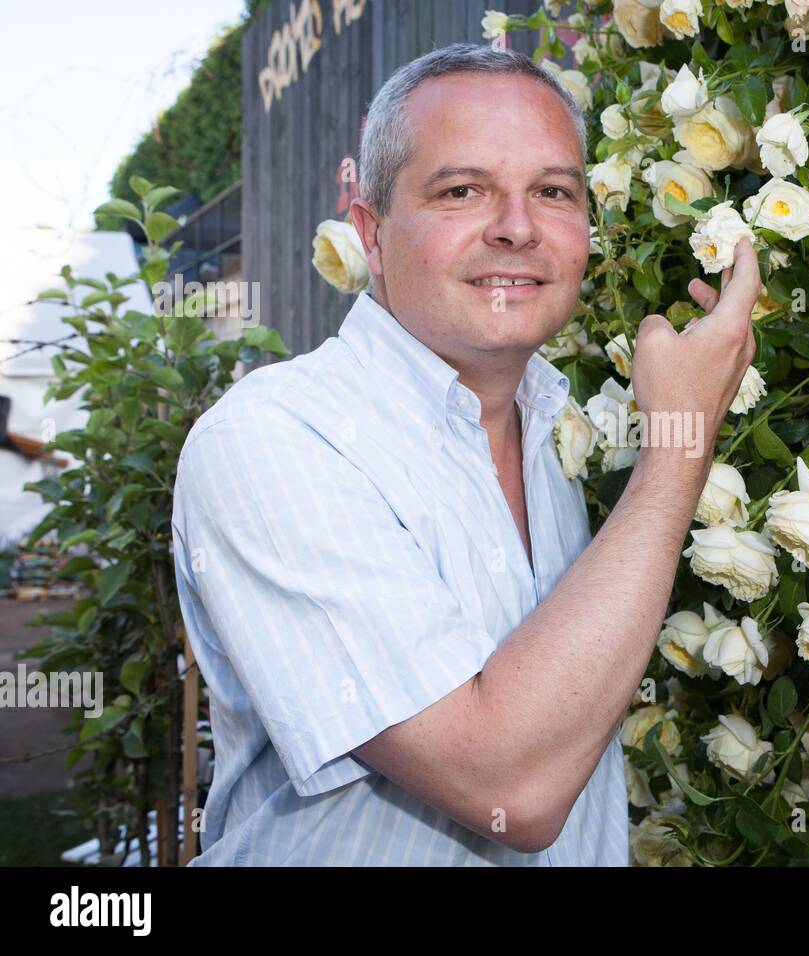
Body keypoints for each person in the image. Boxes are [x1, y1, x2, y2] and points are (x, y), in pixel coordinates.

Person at [172, 42, 758, 865]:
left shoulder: (553, 434)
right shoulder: (275, 440)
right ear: (371, 233)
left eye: (553, 192)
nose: (517, 228)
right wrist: (679, 446)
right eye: (462, 190)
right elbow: (509, 788)